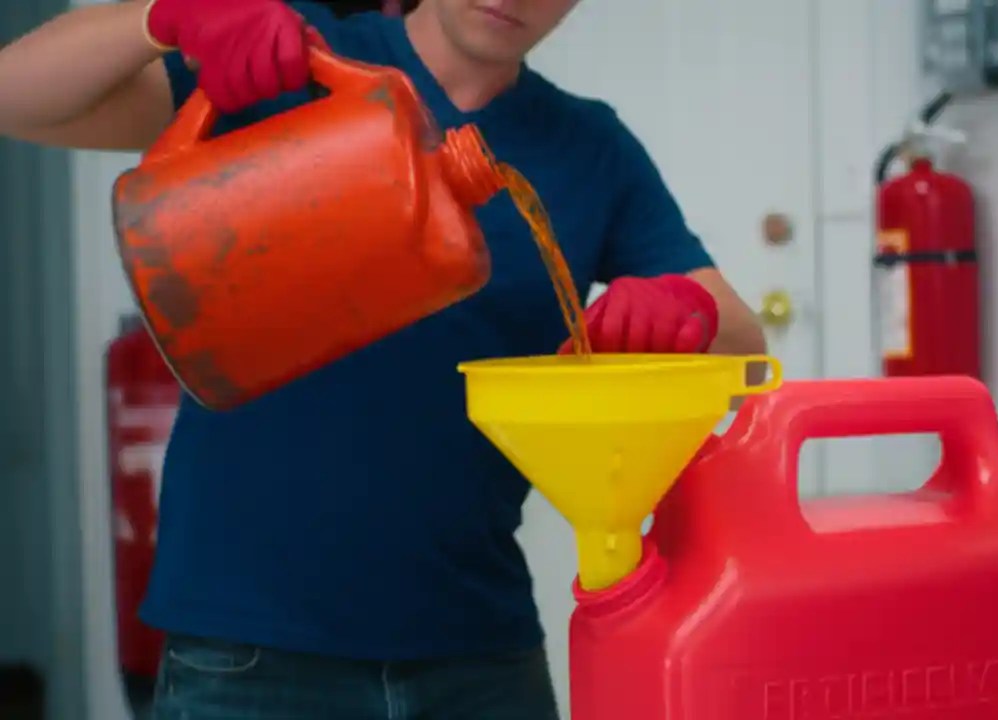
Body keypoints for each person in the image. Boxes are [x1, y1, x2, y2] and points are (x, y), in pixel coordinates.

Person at [0, 0, 768, 717]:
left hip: (480, 654)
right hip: (249, 656)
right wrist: (163, 18)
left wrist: (688, 309)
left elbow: (746, 347)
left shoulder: (592, 148)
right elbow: (13, 93)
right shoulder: (296, 59)